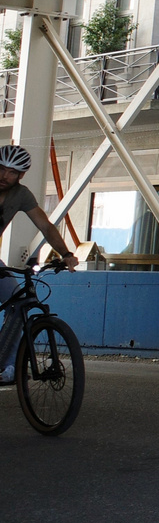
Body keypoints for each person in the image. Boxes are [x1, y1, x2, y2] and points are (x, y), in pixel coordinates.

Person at [0, 145, 78, 385]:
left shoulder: (22, 195)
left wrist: (65, 253)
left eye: (12, 172)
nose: (5, 176)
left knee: (19, 301)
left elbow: (45, 226)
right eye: (2, 169)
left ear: (21, 175)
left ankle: (6, 364)